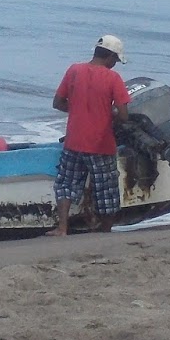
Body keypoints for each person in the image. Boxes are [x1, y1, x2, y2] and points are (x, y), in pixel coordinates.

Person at [49, 34, 131, 236]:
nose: (115, 64)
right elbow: (123, 115)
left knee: (66, 183)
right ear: (110, 57)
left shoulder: (74, 71)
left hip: (73, 141)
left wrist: (78, 110)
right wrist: (108, 117)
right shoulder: (113, 78)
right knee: (106, 188)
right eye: (116, 60)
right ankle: (105, 229)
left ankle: (62, 228)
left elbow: (58, 103)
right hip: (101, 144)